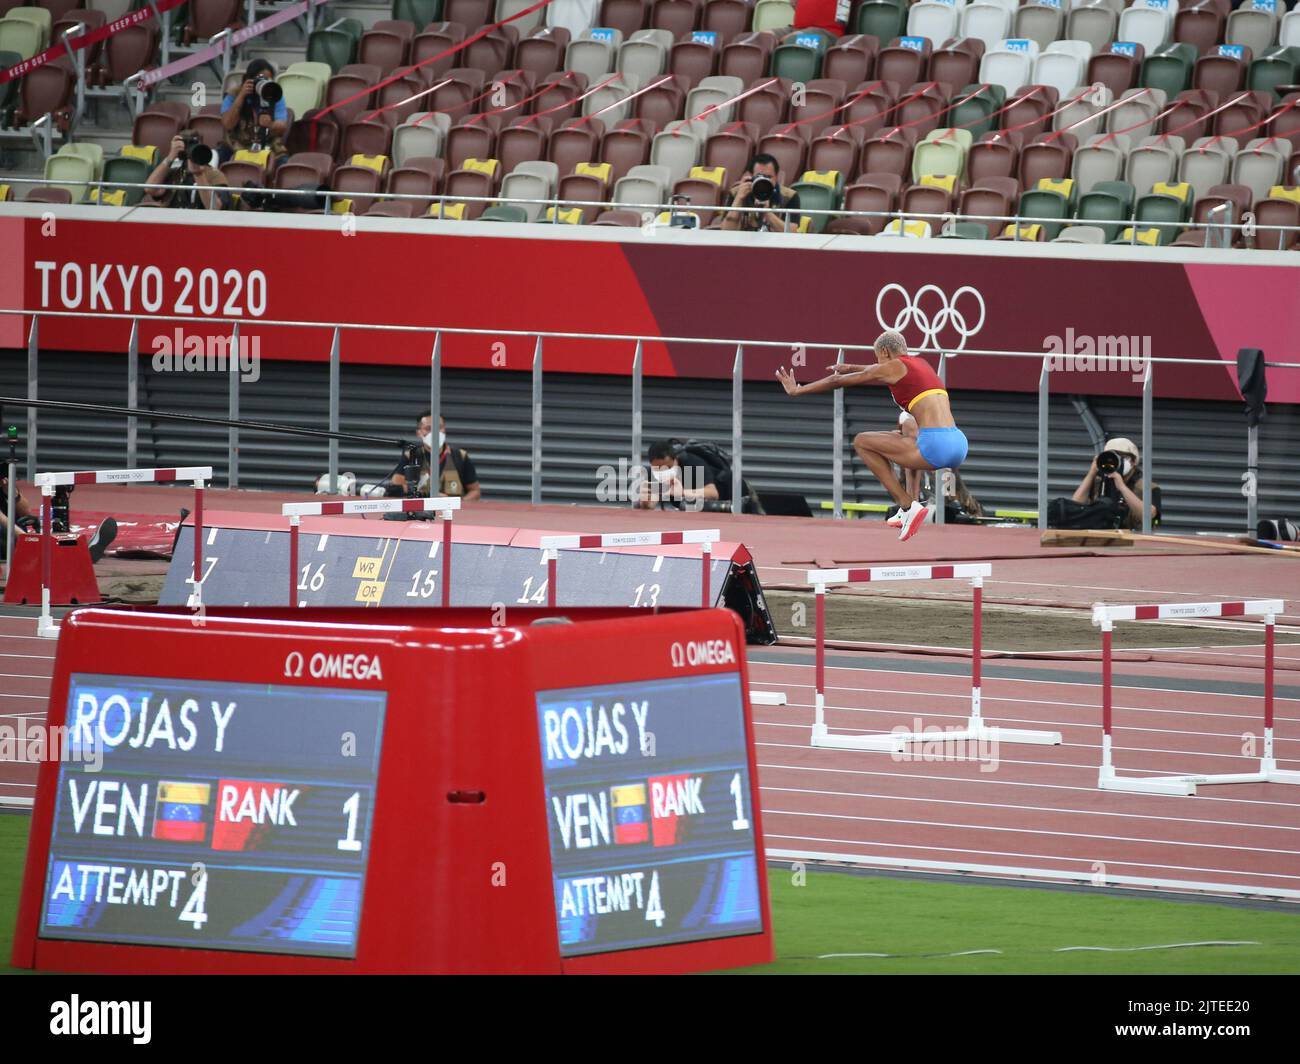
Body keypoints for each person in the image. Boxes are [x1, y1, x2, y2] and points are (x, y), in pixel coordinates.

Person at [776, 329, 969, 542]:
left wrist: (798, 390)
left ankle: (907, 505)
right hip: (958, 443)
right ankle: (909, 506)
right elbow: (879, 370)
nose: (876, 363)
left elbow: (835, 381)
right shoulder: (921, 364)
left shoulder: (893, 366)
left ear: (885, 352)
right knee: (902, 436)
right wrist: (853, 367)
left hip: (936, 445)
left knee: (862, 442)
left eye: (877, 357)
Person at [1052, 437, 1160, 530]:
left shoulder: (1147, 488)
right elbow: (1075, 506)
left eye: (1121, 457)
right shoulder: (1099, 482)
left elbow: (1151, 517)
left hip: (1135, 540)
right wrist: (1091, 474)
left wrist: (1122, 487)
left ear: (1133, 461)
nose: (1116, 461)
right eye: (1112, 456)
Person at [637, 438, 759, 512]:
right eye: (658, 469)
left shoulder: (693, 463)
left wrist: (682, 492)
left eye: (668, 467)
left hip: (736, 490)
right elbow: (651, 504)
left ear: (676, 460)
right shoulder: (653, 474)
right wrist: (646, 502)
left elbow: (713, 494)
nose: (663, 472)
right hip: (708, 507)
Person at [389, 413, 481, 502]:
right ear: (419, 433)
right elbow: (397, 486)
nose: (434, 433)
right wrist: (426, 495)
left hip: (451, 512)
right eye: (428, 429)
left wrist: (458, 503)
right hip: (421, 511)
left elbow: (475, 491)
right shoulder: (411, 455)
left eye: (439, 427)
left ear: (444, 429)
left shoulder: (460, 455)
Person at [220, 58, 289, 164]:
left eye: (268, 80)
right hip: (237, 144)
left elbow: (282, 126)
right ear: (248, 79)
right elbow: (228, 124)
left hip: (268, 145)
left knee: (284, 163)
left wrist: (270, 124)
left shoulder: (275, 95)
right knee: (217, 156)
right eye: (260, 80)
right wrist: (241, 96)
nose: (264, 83)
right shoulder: (233, 95)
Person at [145, 134, 230, 210]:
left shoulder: (214, 175)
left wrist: (199, 175)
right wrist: (170, 158)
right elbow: (150, 189)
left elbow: (215, 208)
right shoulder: (176, 172)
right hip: (172, 221)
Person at [721, 153, 802, 233]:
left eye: (769, 177)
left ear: (776, 177)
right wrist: (739, 199)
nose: (764, 181)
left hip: (775, 243)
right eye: (759, 176)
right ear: (751, 176)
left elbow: (792, 232)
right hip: (742, 242)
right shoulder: (736, 193)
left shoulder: (789, 196)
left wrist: (767, 213)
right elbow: (726, 230)